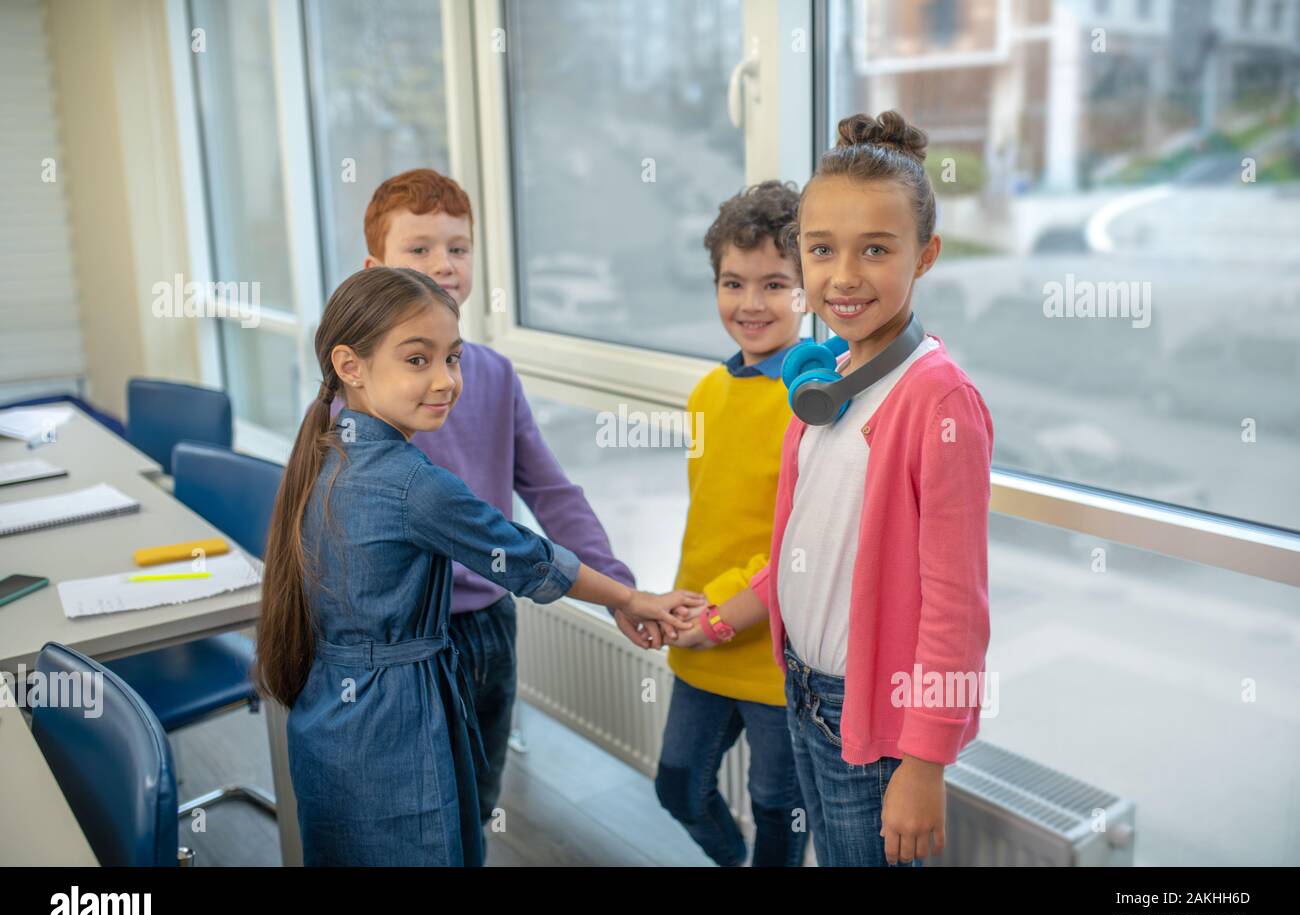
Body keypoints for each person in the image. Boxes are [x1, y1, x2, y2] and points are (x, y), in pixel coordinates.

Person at [258, 266, 702, 865]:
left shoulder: (325, 452)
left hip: (330, 720)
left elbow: (544, 504)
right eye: (419, 360)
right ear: (350, 365)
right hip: (396, 719)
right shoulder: (415, 485)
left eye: (454, 358)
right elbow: (528, 557)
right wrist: (629, 598)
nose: (446, 382)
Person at [670, 111, 994, 868]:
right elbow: (800, 548)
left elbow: (957, 606)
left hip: (876, 721)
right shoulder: (827, 379)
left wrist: (925, 763)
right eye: (822, 251)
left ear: (926, 256)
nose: (844, 276)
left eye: (875, 250)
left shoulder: (937, 402)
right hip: (804, 694)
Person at [654, 181, 808, 867]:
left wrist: (724, 614)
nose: (751, 304)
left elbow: (803, 550)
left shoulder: (815, 401)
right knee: (679, 786)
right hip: (699, 639)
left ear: (808, 291)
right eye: (733, 283)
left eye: (775, 284)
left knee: (781, 805)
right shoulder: (707, 393)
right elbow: (707, 517)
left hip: (777, 655)